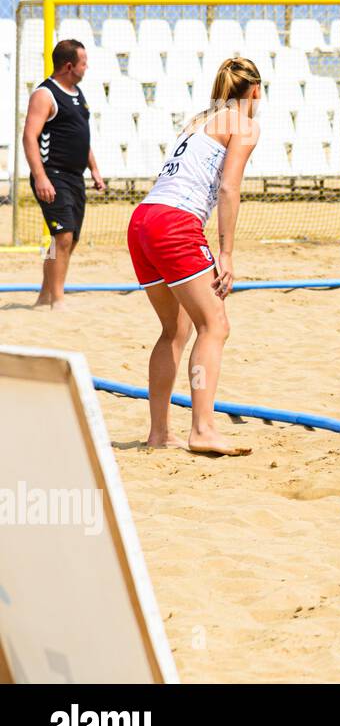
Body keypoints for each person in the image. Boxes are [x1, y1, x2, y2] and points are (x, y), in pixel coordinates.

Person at [125, 57, 261, 456]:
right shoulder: (244, 122)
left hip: (143, 219)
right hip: (174, 223)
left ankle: (158, 433)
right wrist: (226, 252)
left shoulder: (200, 118)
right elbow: (228, 189)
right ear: (254, 91)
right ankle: (202, 429)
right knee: (215, 325)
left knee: (175, 330)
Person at [21, 39, 105, 308]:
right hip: (52, 174)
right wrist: (40, 176)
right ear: (69, 66)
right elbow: (29, 137)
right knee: (63, 236)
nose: (87, 66)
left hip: (74, 176)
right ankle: (58, 300)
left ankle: (45, 295)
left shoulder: (78, 94)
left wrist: (94, 169)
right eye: (83, 62)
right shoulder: (45, 95)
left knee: (69, 239)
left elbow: (80, 136)